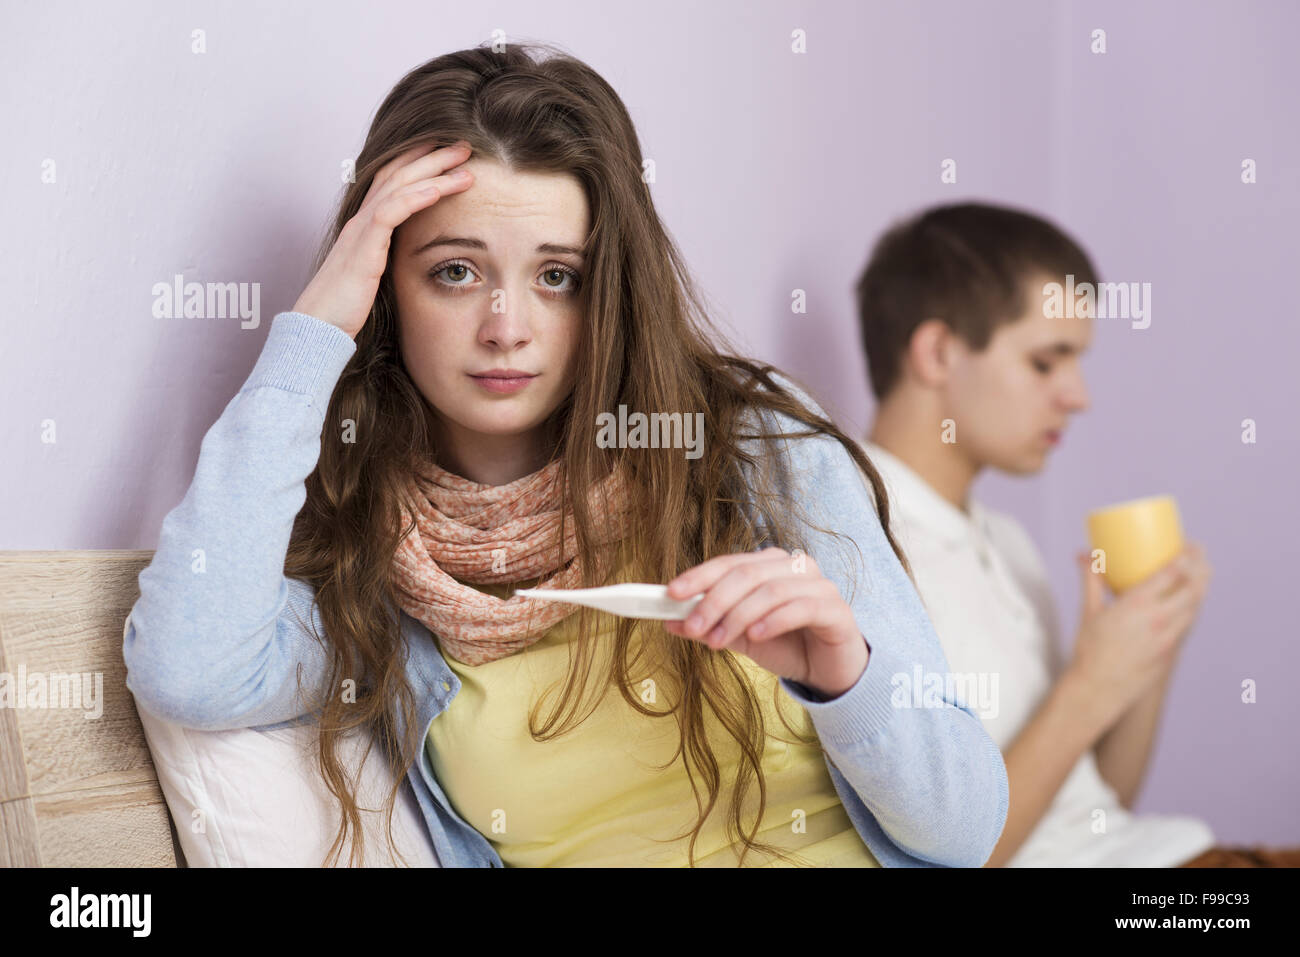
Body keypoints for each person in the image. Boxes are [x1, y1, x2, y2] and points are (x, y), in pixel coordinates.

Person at [121, 43, 1008, 868]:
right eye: (455, 271)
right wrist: (314, 334)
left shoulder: (748, 446)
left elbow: (964, 830)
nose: (507, 329)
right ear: (385, 283)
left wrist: (845, 672)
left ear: (610, 288)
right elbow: (188, 669)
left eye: (559, 277)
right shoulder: (375, 580)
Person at [854, 201, 1294, 867]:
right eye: (1046, 361)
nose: (1079, 395)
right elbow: (953, 857)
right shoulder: (864, 546)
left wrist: (1145, 650)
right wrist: (1089, 684)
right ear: (939, 352)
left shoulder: (1006, 544)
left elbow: (1095, 802)